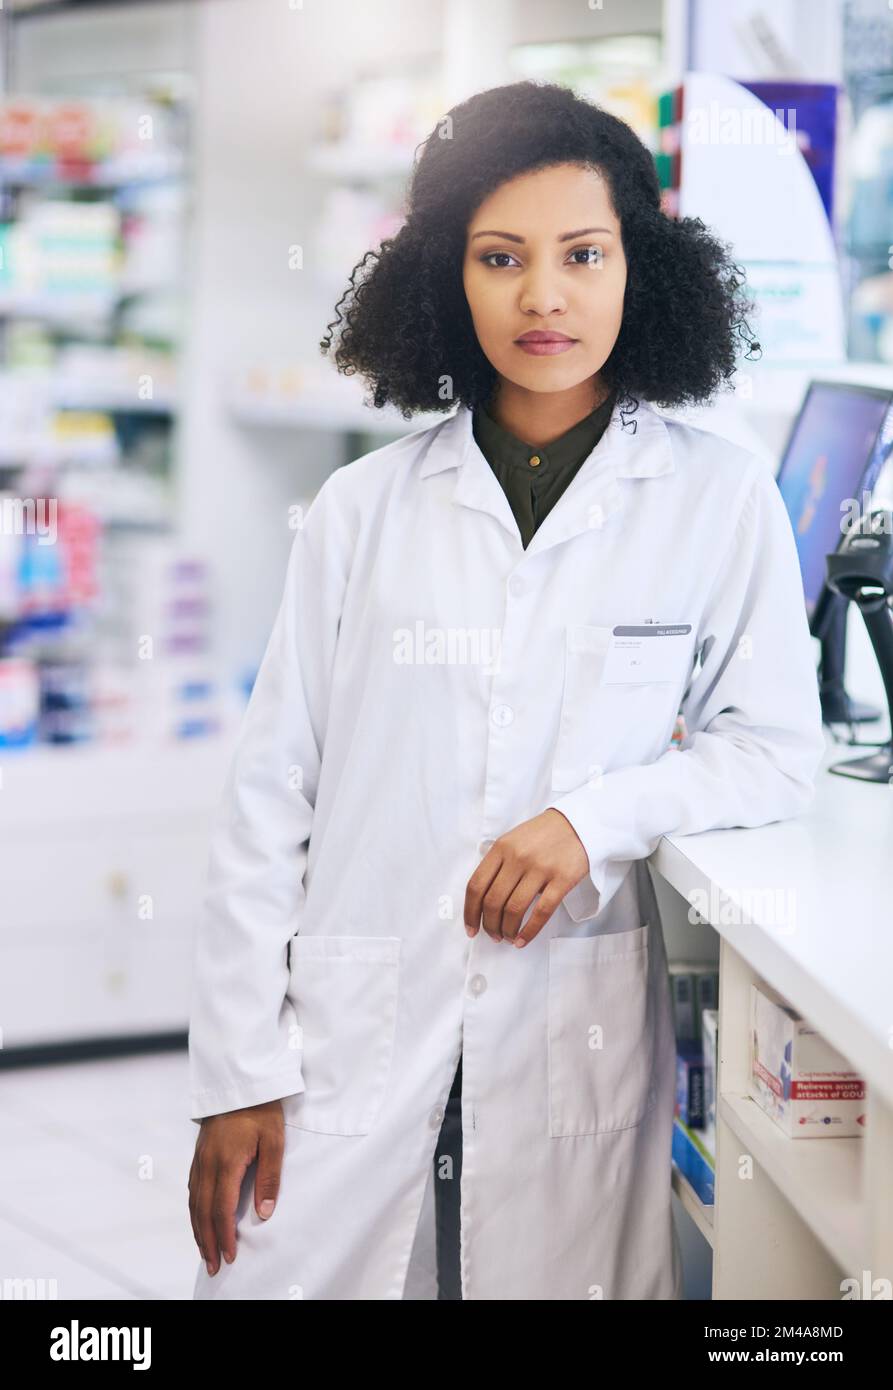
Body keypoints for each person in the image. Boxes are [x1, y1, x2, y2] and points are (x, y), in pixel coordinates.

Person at [187, 80, 826, 1301]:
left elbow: (771, 750)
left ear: (641, 268)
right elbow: (269, 795)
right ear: (444, 278)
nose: (544, 296)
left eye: (582, 254)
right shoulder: (360, 508)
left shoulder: (717, 493)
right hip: (352, 1027)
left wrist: (594, 817)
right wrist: (235, 1070)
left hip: (562, 1026)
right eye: (499, 257)